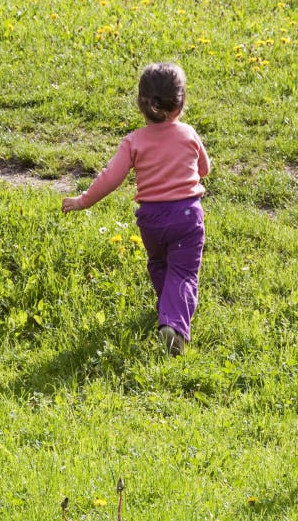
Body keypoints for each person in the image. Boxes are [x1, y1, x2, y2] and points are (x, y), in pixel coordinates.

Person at [62, 62, 211, 356]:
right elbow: (204, 169)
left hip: (151, 219)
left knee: (159, 264)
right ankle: (174, 325)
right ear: (180, 103)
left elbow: (110, 178)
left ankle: (167, 310)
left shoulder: (134, 141)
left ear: (142, 105)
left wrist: (83, 201)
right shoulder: (189, 134)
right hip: (186, 217)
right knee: (182, 272)